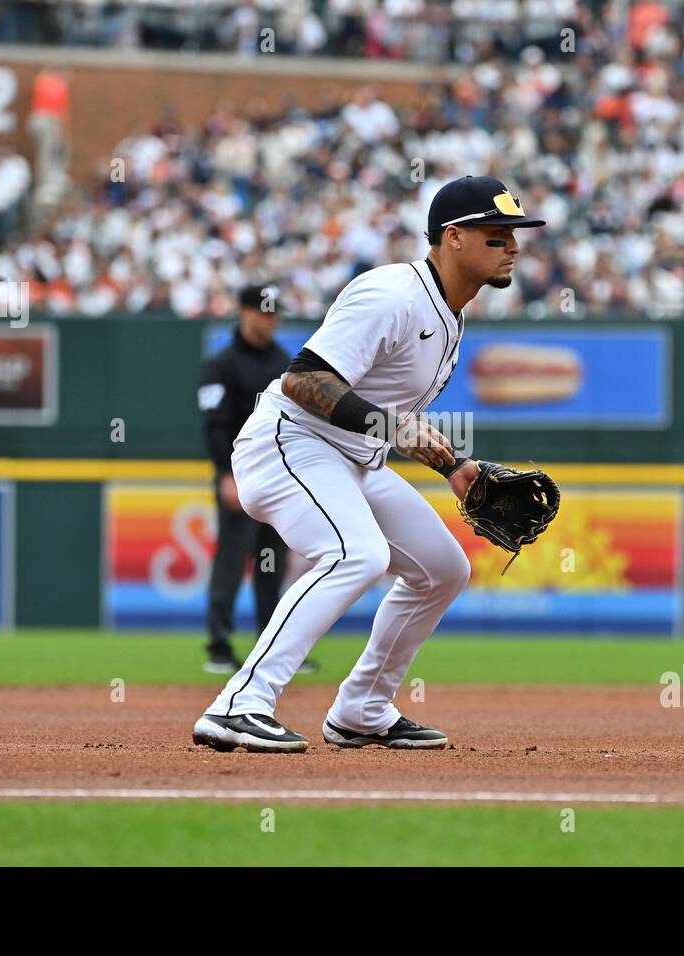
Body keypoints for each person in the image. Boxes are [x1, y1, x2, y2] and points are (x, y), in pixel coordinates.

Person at [191, 176, 545, 753]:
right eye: (497, 233)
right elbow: (305, 380)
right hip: (288, 444)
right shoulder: (392, 295)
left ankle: (361, 708)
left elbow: (391, 418)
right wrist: (391, 428)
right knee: (357, 554)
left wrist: (454, 465)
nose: (513, 245)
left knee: (443, 569)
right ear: (453, 237)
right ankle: (239, 704)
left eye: (515, 234)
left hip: (352, 459)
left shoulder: (451, 314)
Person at [198, 284, 316, 676]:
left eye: (274, 312)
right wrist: (224, 474)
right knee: (231, 562)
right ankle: (219, 647)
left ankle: (274, 648)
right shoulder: (222, 364)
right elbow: (215, 426)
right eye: (263, 311)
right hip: (240, 476)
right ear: (244, 312)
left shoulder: (284, 362)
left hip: (278, 480)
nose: (270, 318)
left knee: (272, 566)